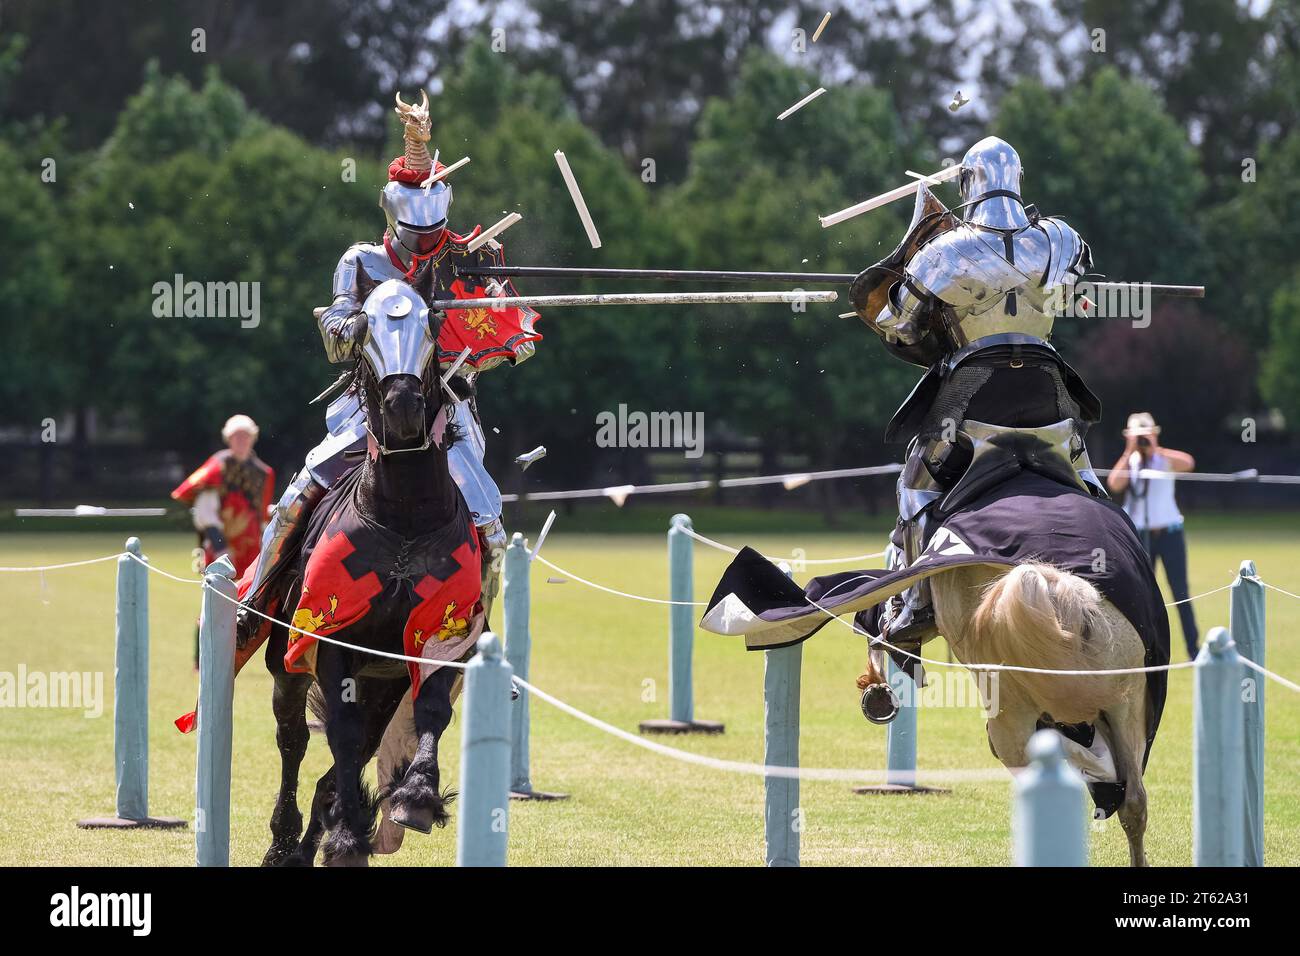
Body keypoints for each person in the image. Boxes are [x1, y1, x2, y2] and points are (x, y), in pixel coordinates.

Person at [235, 90, 540, 644]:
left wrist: (506, 327)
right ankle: (257, 601)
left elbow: (500, 319)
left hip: (447, 409)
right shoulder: (361, 261)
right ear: (393, 217)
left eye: (434, 231)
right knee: (294, 501)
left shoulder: (465, 259)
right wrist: (353, 326)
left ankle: (478, 635)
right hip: (372, 406)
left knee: (492, 531)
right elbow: (334, 331)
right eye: (416, 234)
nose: (427, 243)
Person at [851, 136, 1104, 663]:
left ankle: (917, 601)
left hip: (976, 394)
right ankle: (1121, 556)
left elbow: (897, 325)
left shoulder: (945, 252)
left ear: (968, 184)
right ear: (1017, 180)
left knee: (917, 485)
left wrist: (900, 276)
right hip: (1047, 390)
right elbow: (1082, 286)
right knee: (1087, 477)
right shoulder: (1061, 237)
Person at [171, 413, 275, 666]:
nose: (241, 441)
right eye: (236, 436)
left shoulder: (262, 472)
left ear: (253, 438)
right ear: (228, 438)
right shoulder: (217, 468)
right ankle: (202, 658)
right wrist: (219, 547)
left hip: (253, 549)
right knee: (214, 600)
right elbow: (206, 512)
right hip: (222, 548)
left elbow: (262, 515)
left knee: (253, 601)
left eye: (246, 436)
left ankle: (236, 653)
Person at [1106, 412, 1198, 658]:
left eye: (1144, 436)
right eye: (1137, 437)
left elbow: (1188, 463)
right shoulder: (1131, 462)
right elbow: (1114, 484)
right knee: (1142, 593)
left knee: (1180, 591)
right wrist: (1129, 451)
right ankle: (1147, 650)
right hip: (1140, 535)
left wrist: (1155, 449)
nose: (1142, 441)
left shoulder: (1163, 459)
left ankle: (1194, 649)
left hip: (1169, 533)